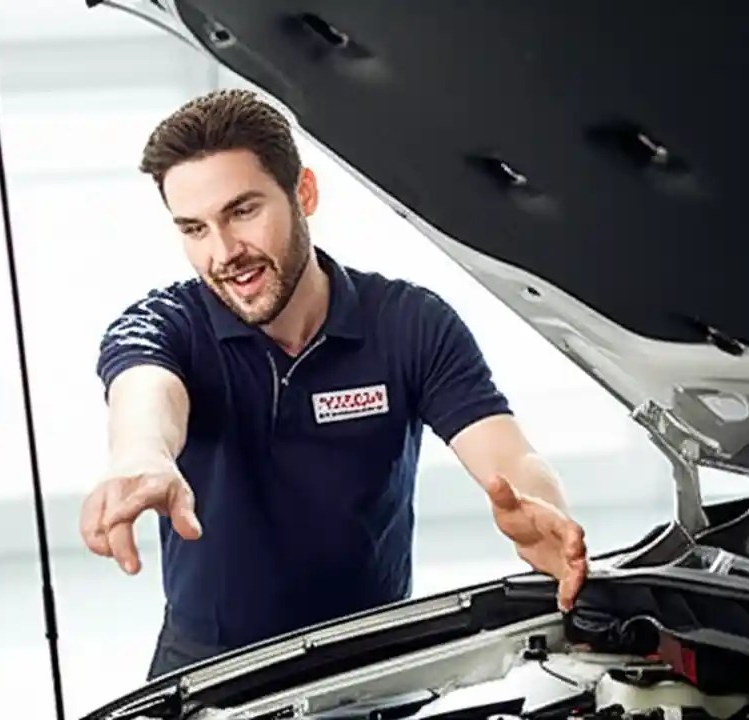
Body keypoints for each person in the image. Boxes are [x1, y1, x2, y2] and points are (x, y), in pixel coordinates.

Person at [79, 88, 590, 678]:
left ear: (305, 193)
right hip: (208, 670)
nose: (224, 253)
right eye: (195, 228)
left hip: (376, 666)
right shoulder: (166, 324)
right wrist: (141, 453)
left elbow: (510, 456)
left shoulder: (409, 324)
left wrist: (544, 513)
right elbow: (145, 391)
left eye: (243, 211)